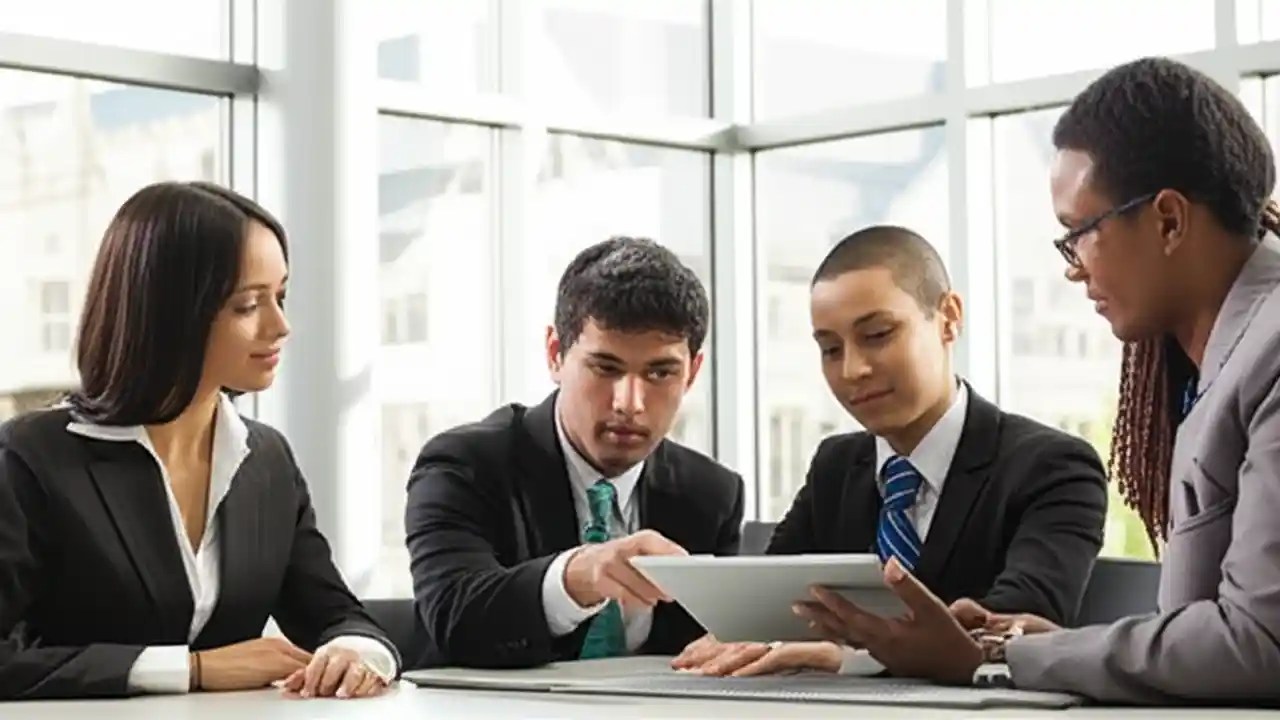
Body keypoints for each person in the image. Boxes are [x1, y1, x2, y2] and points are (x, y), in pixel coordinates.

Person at [795, 57, 1280, 705]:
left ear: (1168, 220)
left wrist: (995, 658)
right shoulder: (1217, 365)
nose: (1073, 268)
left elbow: (1257, 643)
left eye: (1079, 233)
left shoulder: (1268, 354)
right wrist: (1039, 648)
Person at [0, 182, 399, 700]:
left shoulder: (266, 459)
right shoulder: (31, 457)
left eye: (279, 297)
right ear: (166, 311)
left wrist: (355, 653)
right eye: (247, 305)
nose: (280, 326)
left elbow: (337, 614)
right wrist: (191, 669)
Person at [673, 226, 1108, 677]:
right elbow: (766, 608)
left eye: (878, 335)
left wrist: (850, 659)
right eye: (830, 349)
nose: (852, 370)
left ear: (948, 318)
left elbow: (1013, 632)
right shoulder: (837, 466)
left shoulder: (1052, 468)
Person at [404, 236, 745, 669]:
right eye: (605, 368)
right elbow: (455, 618)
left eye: (660, 373)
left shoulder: (711, 494)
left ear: (692, 373)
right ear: (555, 354)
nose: (629, 403)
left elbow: (712, 653)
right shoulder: (464, 465)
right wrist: (577, 577)